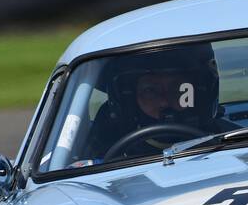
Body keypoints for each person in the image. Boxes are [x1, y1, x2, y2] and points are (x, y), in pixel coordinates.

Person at [76, 43, 235, 163]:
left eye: (179, 89)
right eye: (150, 91)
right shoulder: (98, 156)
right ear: (130, 100)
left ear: (199, 93)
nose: (165, 100)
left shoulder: (233, 140)